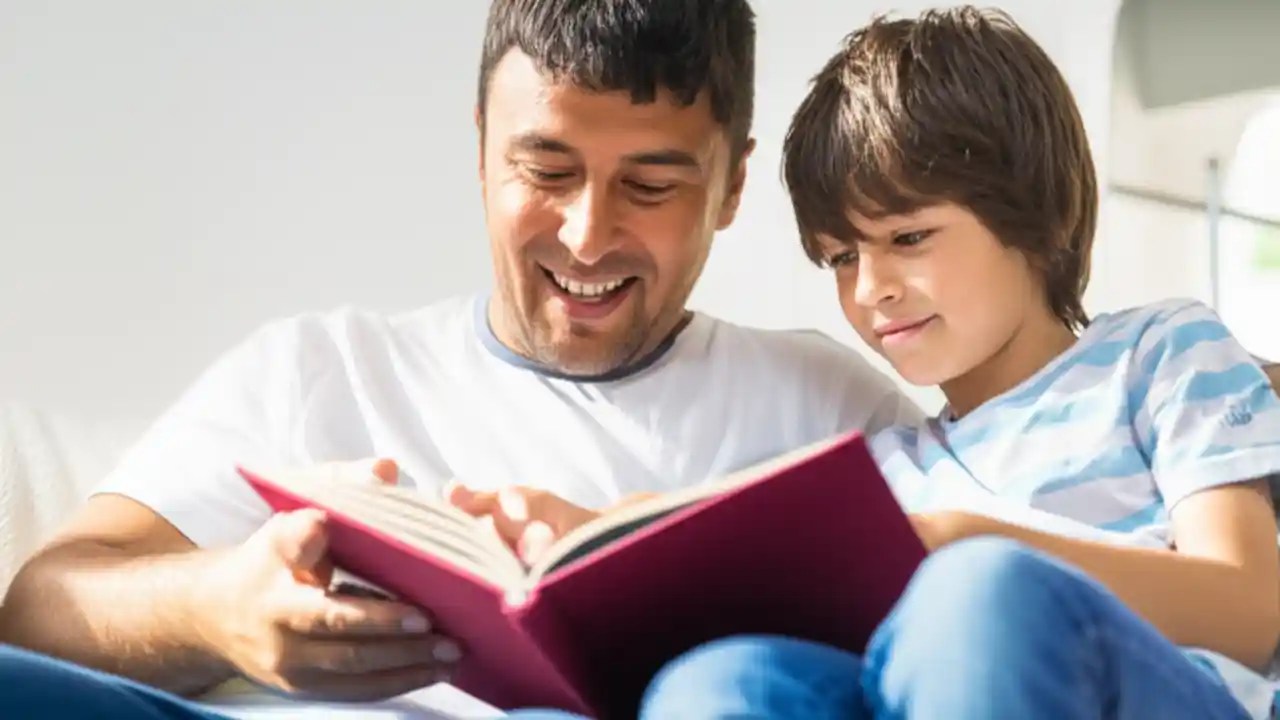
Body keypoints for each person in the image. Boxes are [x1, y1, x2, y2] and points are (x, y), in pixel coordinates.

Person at [0, 0, 919, 710]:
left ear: (730, 189)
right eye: (546, 171)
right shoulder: (323, 367)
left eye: (650, 184)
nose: (588, 235)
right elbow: (44, 604)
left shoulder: (828, 414)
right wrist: (218, 609)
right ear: (482, 149)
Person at [505, 7, 1280, 719]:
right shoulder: (891, 467)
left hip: (1166, 692)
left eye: (908, 238)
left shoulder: (1161, 353)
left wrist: (963, 544)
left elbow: (1250, 610)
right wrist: (597, 543)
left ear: (1032, 217)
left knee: (979, 595)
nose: (871, 289)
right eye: (841, 257)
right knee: (719, 682)